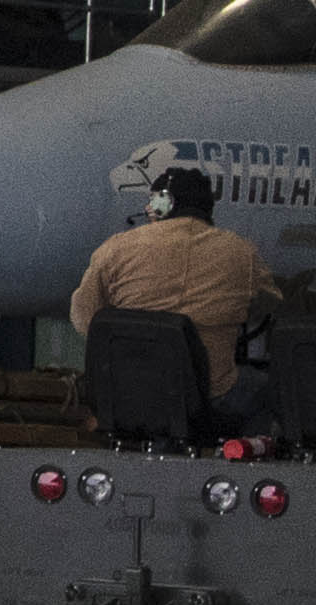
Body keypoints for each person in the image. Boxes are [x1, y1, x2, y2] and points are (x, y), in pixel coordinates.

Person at [70, 166, 274, 425]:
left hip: (128, 392)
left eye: (153, 200)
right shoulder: (241, 252)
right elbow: (268, 303)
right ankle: (248, 460)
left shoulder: (115, 249)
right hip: (211, 396)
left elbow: (83, 319)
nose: (147, 208)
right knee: (275, 391)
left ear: (166, 205)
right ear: (207, 207)